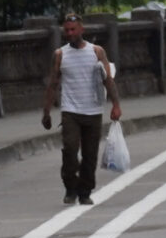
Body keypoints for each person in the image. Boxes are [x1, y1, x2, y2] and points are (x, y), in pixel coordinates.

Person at [41, 12, 122, 206]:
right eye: (66, 30)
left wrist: (116, 105)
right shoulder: (60, 54)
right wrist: (46, 112)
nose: (69, 33)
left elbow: (107, 79)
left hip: (93, 110)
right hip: (71, 111)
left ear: (81, 30)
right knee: (70, 150)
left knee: (90, 154)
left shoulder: (96, 52)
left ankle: (85, 191)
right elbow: (53, 83)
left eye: (73, 30)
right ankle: (70, 187)